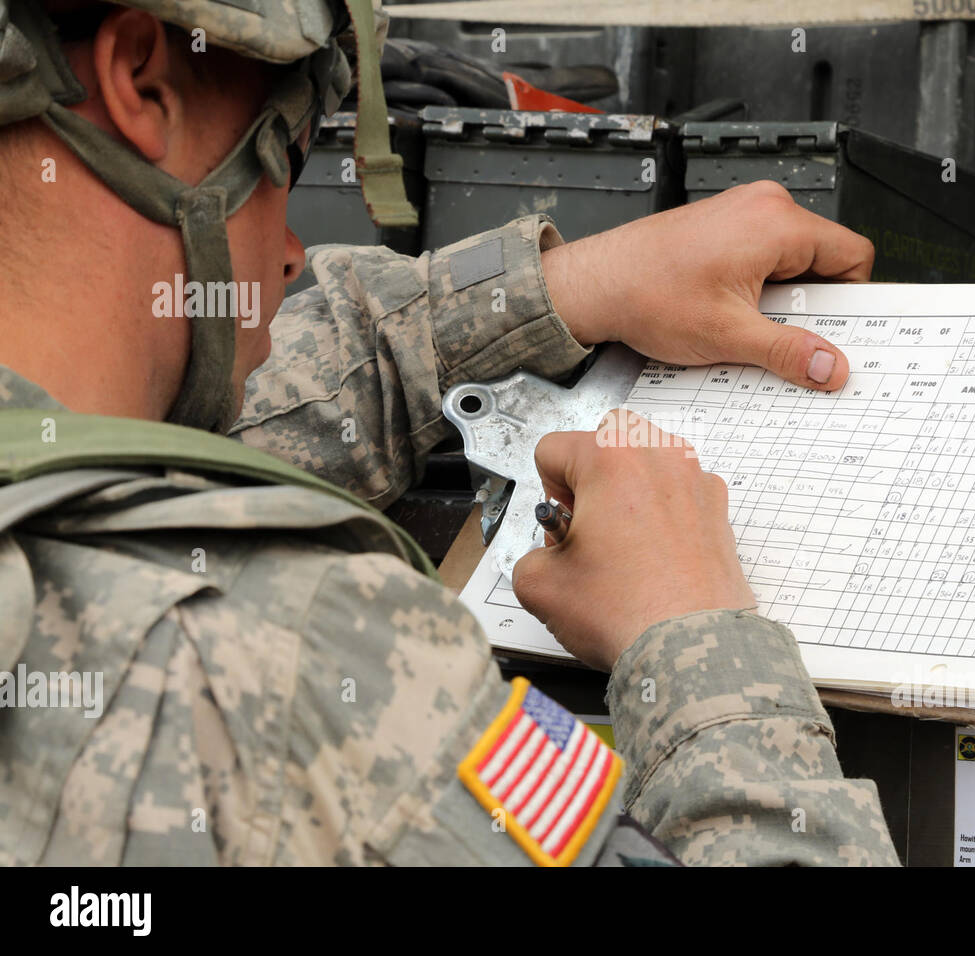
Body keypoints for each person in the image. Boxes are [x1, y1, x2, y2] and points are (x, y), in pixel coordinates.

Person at [0, 0, 900, 866]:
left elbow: (166, 436)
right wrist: (692, 638)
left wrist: (564, 288)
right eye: (283, 148)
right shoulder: (314, 662)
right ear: (140, 81)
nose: (289, 254)